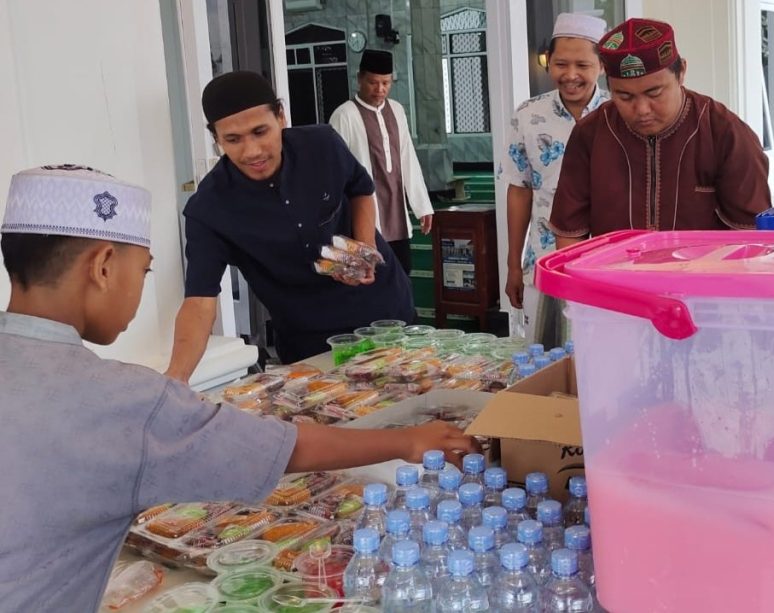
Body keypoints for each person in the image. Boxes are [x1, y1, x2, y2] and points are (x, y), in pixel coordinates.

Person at [0, 164, 477, 611]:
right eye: (144, 271)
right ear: (103, 266)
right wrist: (410, 439)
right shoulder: (119, 400)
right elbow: (283, 449)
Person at [165, 71, 415, 381]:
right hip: (310, 341)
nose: (252, 151)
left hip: (384, 313)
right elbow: (199, 303)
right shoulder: (210, 210)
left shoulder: (321, 145)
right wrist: (175, 379)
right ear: (216, 138)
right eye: (233, 139)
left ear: (281, 117)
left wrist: (365, 247)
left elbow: (360, 188)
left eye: (260, 131)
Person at [549, 17, 772, 250]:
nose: (642, 110)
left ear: (681, 72)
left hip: (704, 281)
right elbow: (570, 234)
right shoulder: (590, 134)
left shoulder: (726, 133)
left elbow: (751, 236)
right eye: (624, 97)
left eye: (654, 92)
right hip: (614, 281)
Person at [498, 12, 609, 345]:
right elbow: (519, 190)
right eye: (561, 64)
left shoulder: (619, 113)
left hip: (606, 268)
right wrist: (513, 265)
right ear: (548, 63)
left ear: (601, 66)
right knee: (546, 357)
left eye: (583, 65)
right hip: (544, 263)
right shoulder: (529, 116)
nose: (570, 75)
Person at [330, 50, 434, 275]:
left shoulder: (397, 110)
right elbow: (335, 170)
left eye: (386, 83)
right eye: (373, 82)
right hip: (364, 214)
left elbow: (407, 158)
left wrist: (422, 205)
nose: (380, 89)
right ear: (359, 79)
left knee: (402, 272)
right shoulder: (344, 115)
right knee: (371, 278)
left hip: (396, 212)